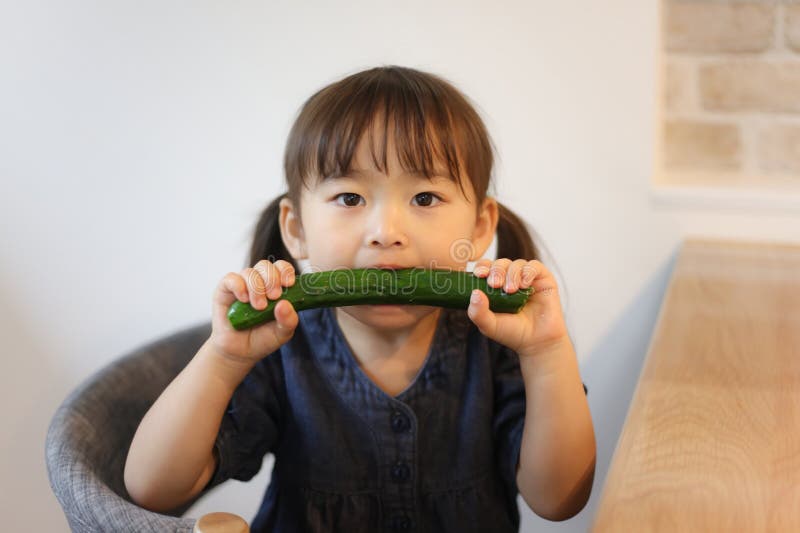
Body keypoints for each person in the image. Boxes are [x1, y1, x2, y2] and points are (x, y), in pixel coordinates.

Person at [124, 65, 596, 532]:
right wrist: (223, 357)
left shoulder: (501, 344)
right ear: (297, 229)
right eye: (350, 198)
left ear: (478, 228)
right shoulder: (279, 345)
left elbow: (558, 500)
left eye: (425, 198)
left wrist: (546, 352)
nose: (386, 234)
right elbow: (154, 489)